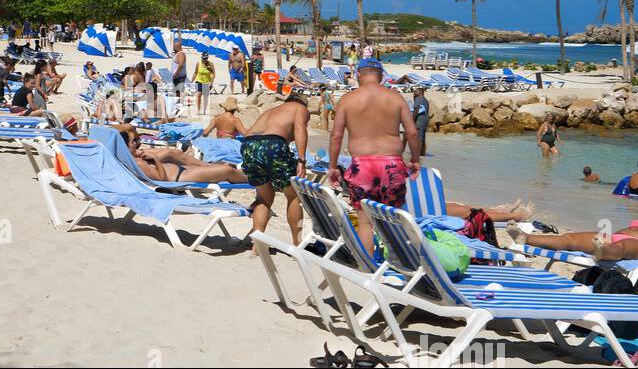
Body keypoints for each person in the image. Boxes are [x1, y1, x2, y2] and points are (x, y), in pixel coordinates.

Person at [327, 59, 421, 256]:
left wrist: (333, 166)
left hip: (362, 165)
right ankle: (401, 265)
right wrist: (414, 159)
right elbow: (412, 133)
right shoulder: (395, 98)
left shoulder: (348, 99)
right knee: (394, 217)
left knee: (364, 222)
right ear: (381, 75)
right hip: (392, 164)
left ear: (359, 75)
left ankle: (367, 268)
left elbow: (336, 135)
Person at [241, 92, 310, 247]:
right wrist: (301, 160)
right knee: (294, 196)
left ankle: (256, 246)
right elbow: (300, 129)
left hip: (248, 145)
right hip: (273, 145)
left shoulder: (271, 111)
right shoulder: (300, 108)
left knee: (263, 198)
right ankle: (297, 245)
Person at [117, 125, 248, 184]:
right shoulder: (138, 162)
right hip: (181, 177)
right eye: (133, 142)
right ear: (125, 146)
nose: (137, 143)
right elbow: (161, 179)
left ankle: (250, 175)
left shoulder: (133, 159)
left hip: (182, 171)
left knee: (224, 169)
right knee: (227, 170)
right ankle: (254, 179)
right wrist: (156, 160)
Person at [508, 221, 638, 263]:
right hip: (615, 235)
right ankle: (525, 238)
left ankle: (602, 251)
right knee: (569, 238)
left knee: (620, 248)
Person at [411, 86, 430, 156]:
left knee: (419, 137)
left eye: (416, 91)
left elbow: (416, 110)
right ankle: (422, 154)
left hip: (420, 120)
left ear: (420, 92)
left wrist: (411, 120)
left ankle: (418, 154)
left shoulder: (419, 99)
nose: (414, 93)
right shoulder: (424, 99)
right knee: (422, 137)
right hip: (425, 120)